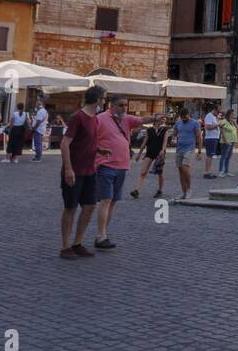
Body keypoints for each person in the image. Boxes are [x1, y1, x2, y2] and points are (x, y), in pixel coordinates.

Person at [92, 93, 143, 250]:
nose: (124, 108)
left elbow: (141, 120)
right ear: (111, 105)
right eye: (121, 105)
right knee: (105, 200)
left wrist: (155, 117)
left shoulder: (126, 119)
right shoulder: (100, 119)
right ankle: (101, 237)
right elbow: (90, 138)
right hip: (106, 165)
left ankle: (103, 233)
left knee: (112, 201)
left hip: (122, 166)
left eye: (125, 105)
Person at [59, 87, 102, 259]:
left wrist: (100, 150)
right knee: (70, 208)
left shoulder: (95, 119)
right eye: (103, 99)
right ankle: (65, 246)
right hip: (75, 171)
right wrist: (69, 169)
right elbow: (64, 144)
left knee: (90, 206)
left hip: (90, 170)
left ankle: (77, 242)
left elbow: (86, 142)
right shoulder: (78, 117)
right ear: (98, 99)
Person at [131, 113, 172, 199]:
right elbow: (144, 143)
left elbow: (165, 142)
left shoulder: (165, 130)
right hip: (149, 152)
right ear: (155, 119)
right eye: (161, 118)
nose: (162, 120)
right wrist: (139, 154)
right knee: (143, 172)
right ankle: (136, 190)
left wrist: (163, 150)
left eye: (163, 119)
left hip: (159, 153)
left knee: (160, 173)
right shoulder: (149, 130)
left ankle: (160, 190)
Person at [172, 108, 201, 201]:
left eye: (185, 117)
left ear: (189, 115)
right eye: (182, 117)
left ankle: (189, 189)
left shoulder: (195, 123)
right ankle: (183, 191)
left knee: (185, 167)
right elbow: (174, 134)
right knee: (180, 170)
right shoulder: (178, 123)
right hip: (179, 149)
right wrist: (173, 137)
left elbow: (199, 137)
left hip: (189, 148)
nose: (184, 119)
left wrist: (199, 151)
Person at [202, 106, 221, 179]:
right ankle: (206, 172)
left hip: (214, 138)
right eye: (218, 112)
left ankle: (208, 171)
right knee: (209, 156)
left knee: (210, 156)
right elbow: (207, 127)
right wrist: (217, 125)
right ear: (214, 110)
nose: (218, 113)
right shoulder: (209, 116)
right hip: (211, 138)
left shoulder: (213, 116)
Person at [218, 110, 238, 176]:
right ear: (228, 114)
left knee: (228, 157)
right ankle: (220, 171)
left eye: (233, 114)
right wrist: (226, 141)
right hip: (226, 142)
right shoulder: (224, 121)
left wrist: (234, 122)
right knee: (223, 156)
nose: (233, 115)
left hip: (232, 141)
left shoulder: (231, 122)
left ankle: (226, 171)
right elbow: (222, 131)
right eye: (232, 114)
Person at [31, 97, 49, 162]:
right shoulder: (44, 111)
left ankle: (38, 157)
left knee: (37, 143)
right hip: (41, 129)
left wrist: (34, 128)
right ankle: (38, 156)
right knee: (38, 143)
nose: (35, 106)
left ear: (38, 105)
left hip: (38, 129)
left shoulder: (40, 112)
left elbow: (38, 121)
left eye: (36, 105)